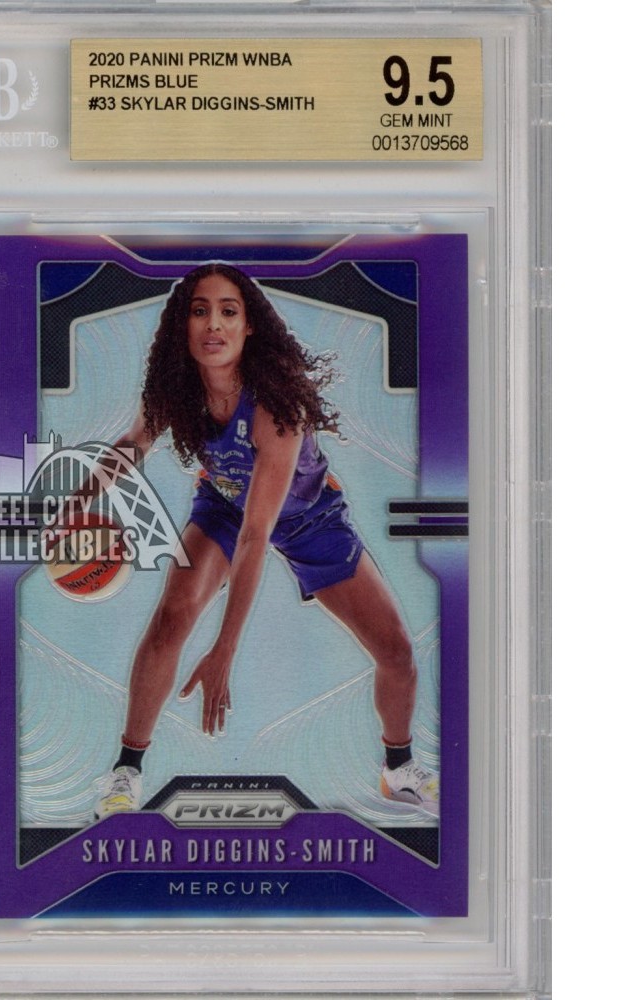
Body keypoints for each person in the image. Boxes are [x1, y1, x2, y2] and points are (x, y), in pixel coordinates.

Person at [93, 263, 438, 818]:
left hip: (310, 519)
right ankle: (125, 772)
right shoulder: (175, 390)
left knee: (396, 650)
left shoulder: (276, 405)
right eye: (200, 310)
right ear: (184, 324)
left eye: (228, 311)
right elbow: (133, 444)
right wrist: (75, 502)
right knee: (172, 616)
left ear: (248, 325)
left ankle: (398, 770)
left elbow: (259, 536)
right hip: (224, 506)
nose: (214, 324)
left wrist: (224, 649)